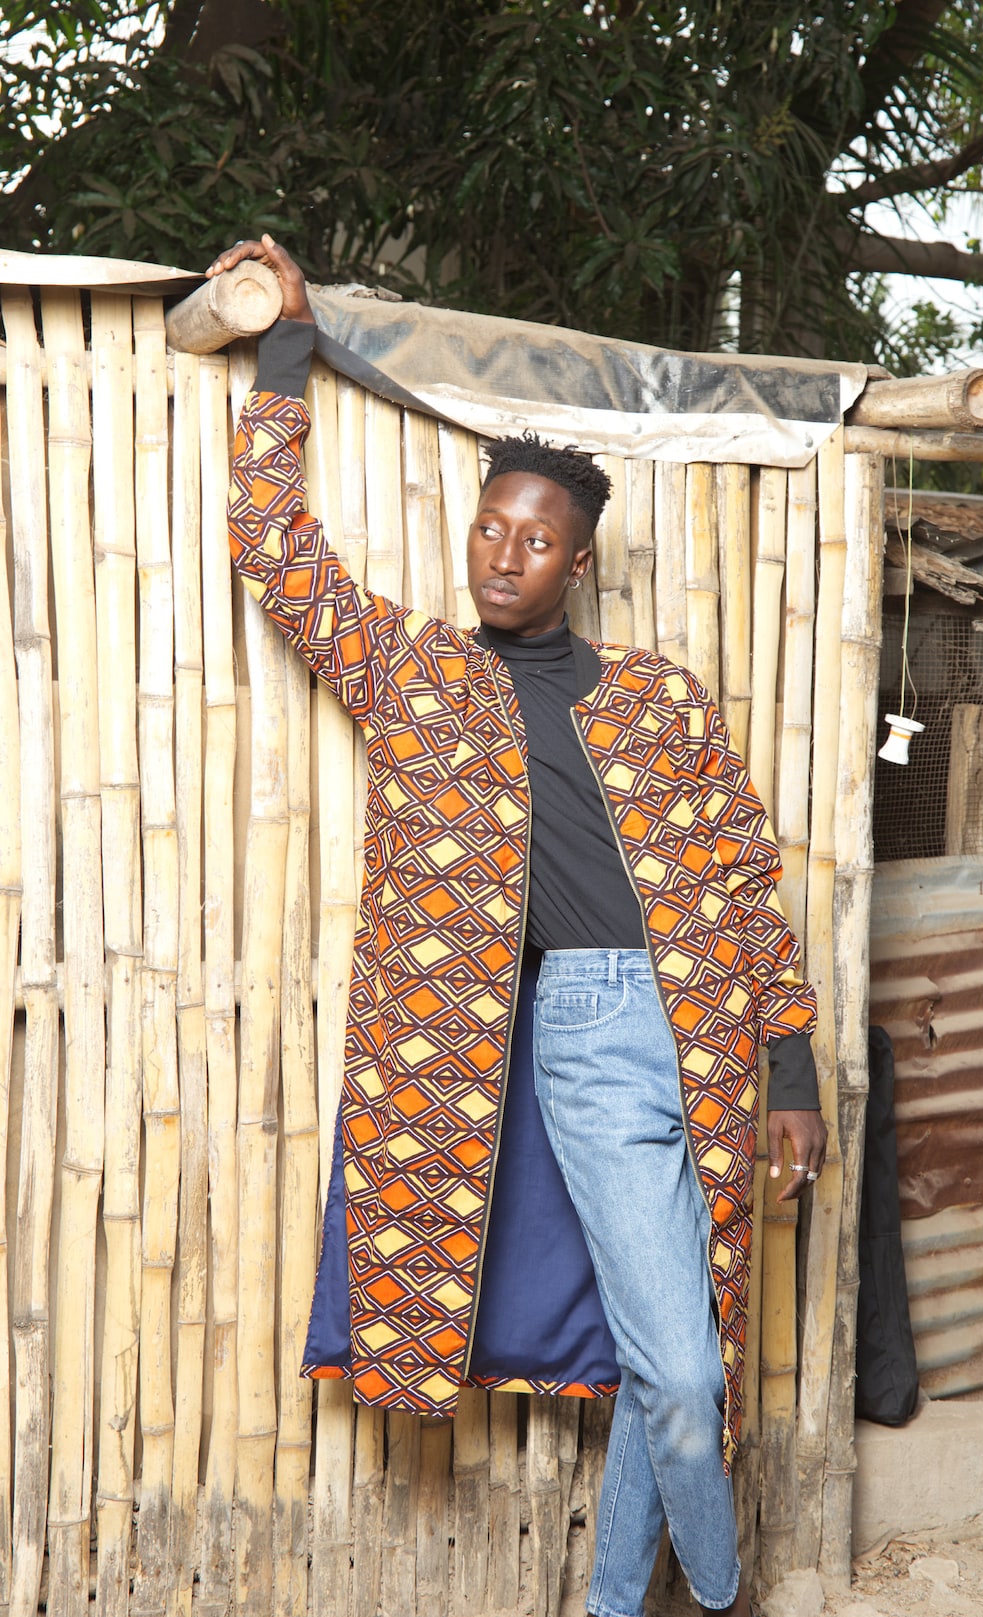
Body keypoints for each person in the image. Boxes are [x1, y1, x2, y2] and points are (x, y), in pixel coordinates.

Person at [209, 235, 828, 1617]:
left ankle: (614, 1607)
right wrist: (288, 347)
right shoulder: (416, 679)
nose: (505, 552)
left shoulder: (660, 700)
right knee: (678, 1368)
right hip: (593, 1034)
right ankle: (724, 1598)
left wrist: (788, 1072)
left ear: (577, 558)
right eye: (491, 527)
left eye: (535, 537)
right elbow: (274, 545)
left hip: (714, 1031)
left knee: (675, 1346)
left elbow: (741, 884)